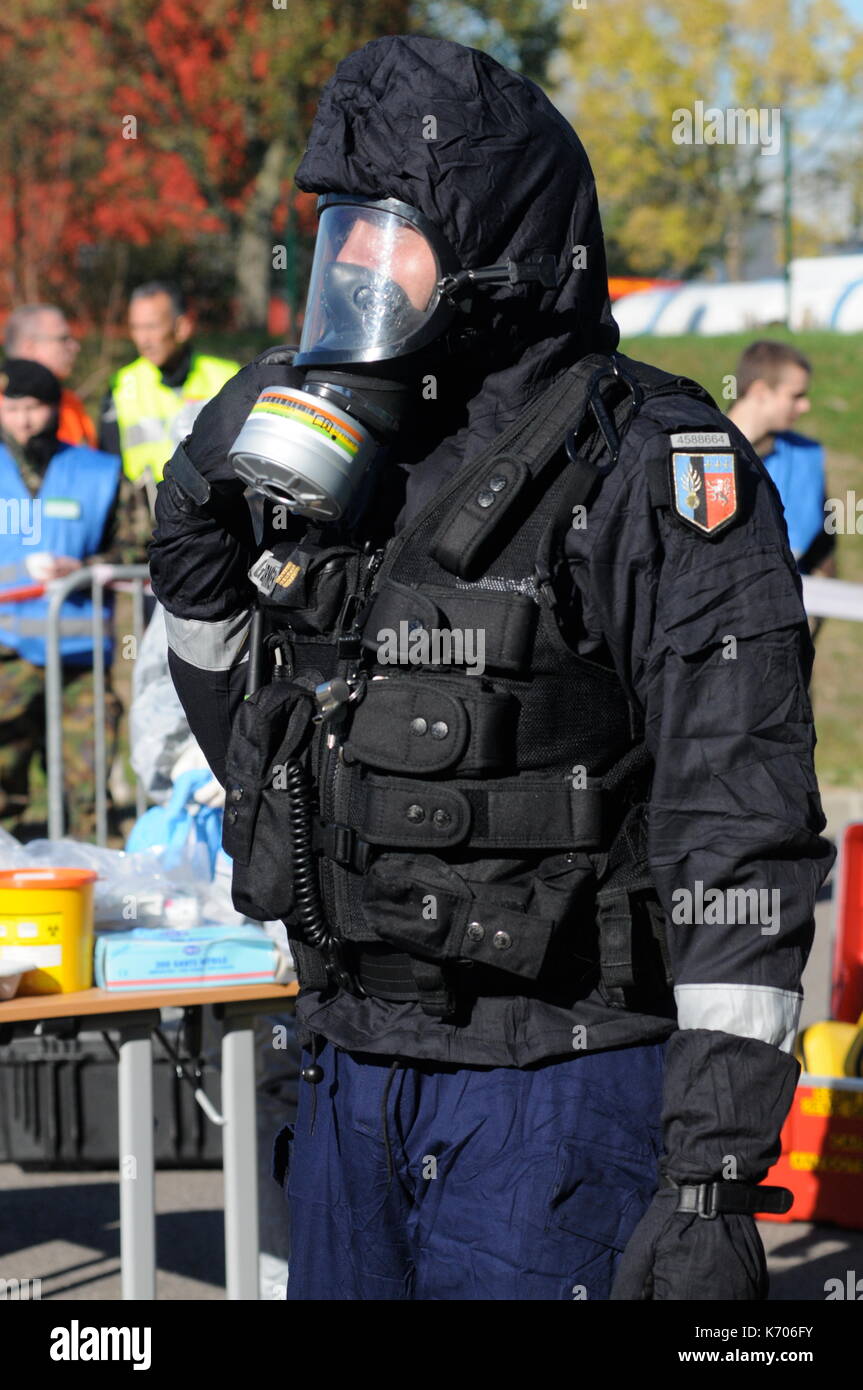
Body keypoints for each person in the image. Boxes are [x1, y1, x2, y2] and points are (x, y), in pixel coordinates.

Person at [149, 35, 834, 1301]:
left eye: (388, 231)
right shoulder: (354, 462)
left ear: (493, 244)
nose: (354, 264)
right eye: (341, 234)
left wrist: (712, 1176)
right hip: (354, 1069)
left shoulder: (654, 465)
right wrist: (193, 517)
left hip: (558, 1098)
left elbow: (735, 815)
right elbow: (257, 744)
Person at [0, 360, 127, 839]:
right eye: (11, 408)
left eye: (32, 408)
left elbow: (141, 550)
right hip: (5, 656)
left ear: (55, 408)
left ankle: (90, 896)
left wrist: (86, 569)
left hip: (81, 661)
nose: (22, 420)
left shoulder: (97, 473)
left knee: (88, 786)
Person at [99, 282, 239, 516]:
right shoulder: (120, 386)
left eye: (151, 327)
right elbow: (109, 467)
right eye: (136, 328)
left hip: (219, 516)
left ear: (182, 326)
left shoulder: (228, 378)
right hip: (147, 524)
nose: (143, 339)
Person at [727, 340, 834, 579]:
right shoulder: (698, 452)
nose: (805, 406)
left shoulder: (808, 456)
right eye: (796, 396)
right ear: (760, 392)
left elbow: (822, 548)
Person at [3, 304, 96, 448]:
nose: (75, 347)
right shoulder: (3, 406)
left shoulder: (70, 403)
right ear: (30, 347)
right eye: (63, 339)